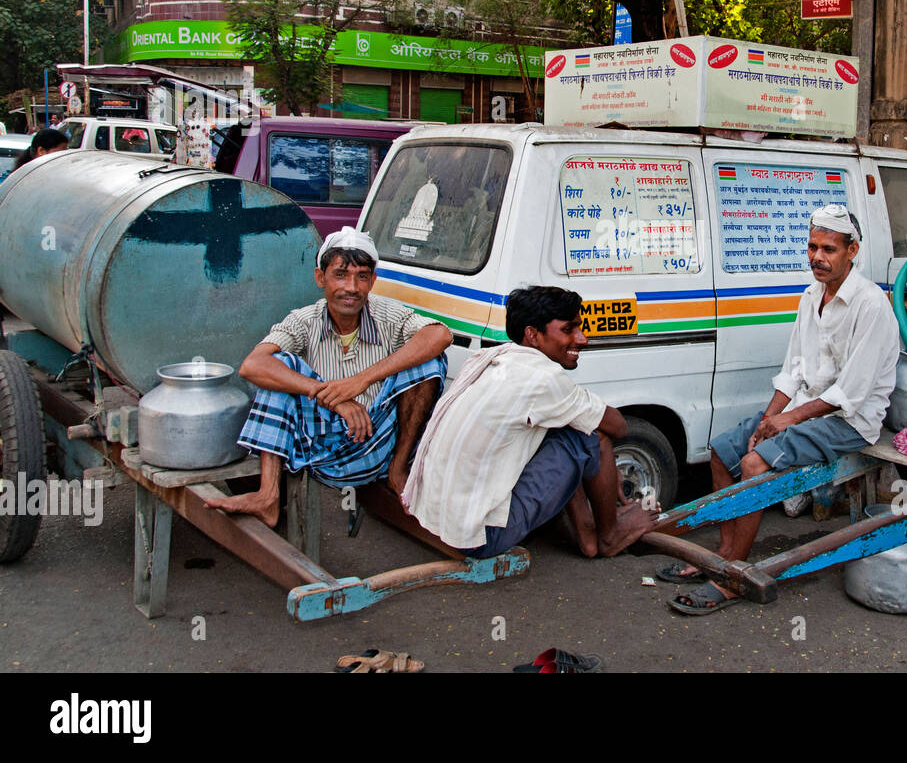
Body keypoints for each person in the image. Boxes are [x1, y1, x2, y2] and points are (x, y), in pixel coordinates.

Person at [663, 203, 900, 615]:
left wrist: (786, 420)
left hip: (849, 421)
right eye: (812, 247)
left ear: (852, 251)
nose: (817, 257)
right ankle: (722, 554)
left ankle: (733, 577)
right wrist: (767, 420)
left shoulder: (871, 305)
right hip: (807, 409)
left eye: (828, 249)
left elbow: (851, 393)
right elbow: (793, 372)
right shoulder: (811, 297)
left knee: (754, 464)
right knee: (723, 451)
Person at [206, 227, 451, 527]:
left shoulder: (387, 315)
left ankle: (399, 471)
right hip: (320, 449)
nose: (352, 287)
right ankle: (268, 496)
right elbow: (253, 366)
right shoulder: (304, 320)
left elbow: (440, 335)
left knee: (429, 361)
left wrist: (360, 381)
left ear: (373, 281)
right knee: (278, 366)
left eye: (362, 276)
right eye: (340, 275)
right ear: (320, 278)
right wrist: (334, 399)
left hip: (378, 445)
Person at [402, 285, 659, 559]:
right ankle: (610, 535)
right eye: (568, 329)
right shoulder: (544, 379)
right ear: (533, 335)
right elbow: (618, 426)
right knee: (592, 436)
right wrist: (605, 468)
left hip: (433, 517)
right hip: (480, 537)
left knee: (567, 423)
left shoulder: (490, 357)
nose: (582, 339)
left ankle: (586, 531)